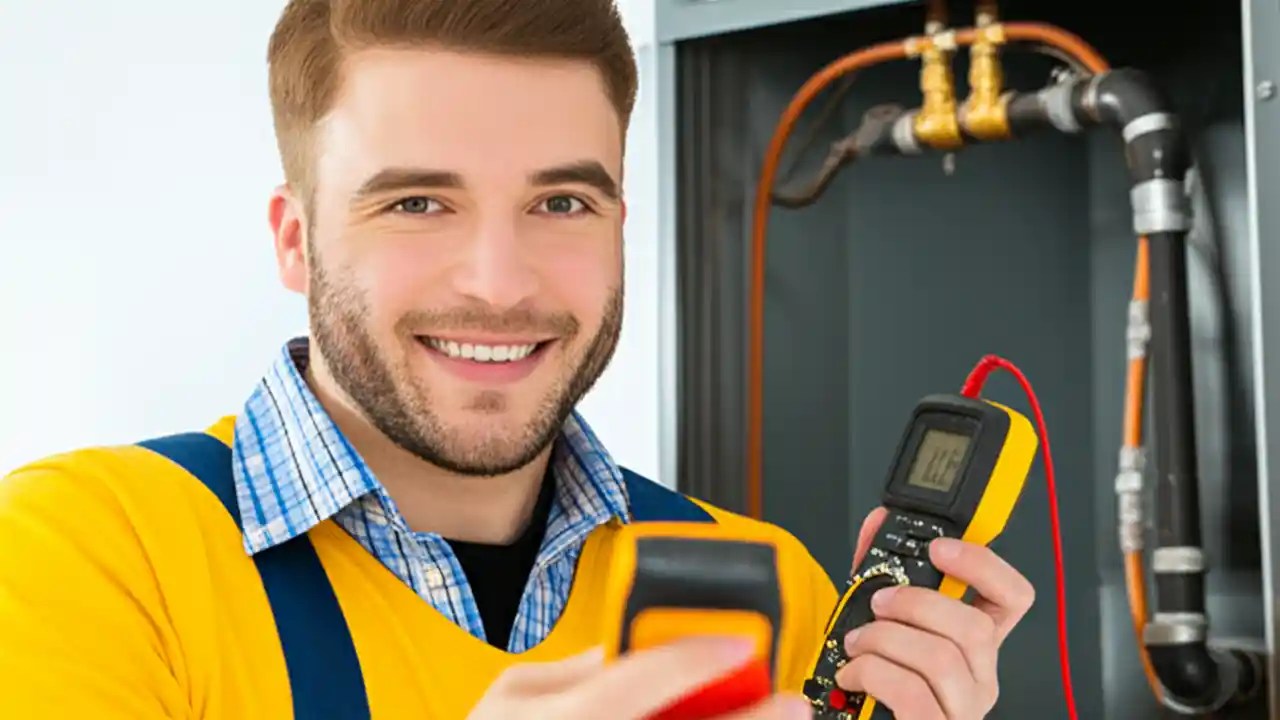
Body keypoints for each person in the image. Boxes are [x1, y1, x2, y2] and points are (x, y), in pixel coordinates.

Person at [0, 1, 1036, 718]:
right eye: (417, 202)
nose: (498, 284)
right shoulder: (84, 557)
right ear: (295, 240)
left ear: (620, 225)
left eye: (559, 203)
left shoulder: (782, 597)